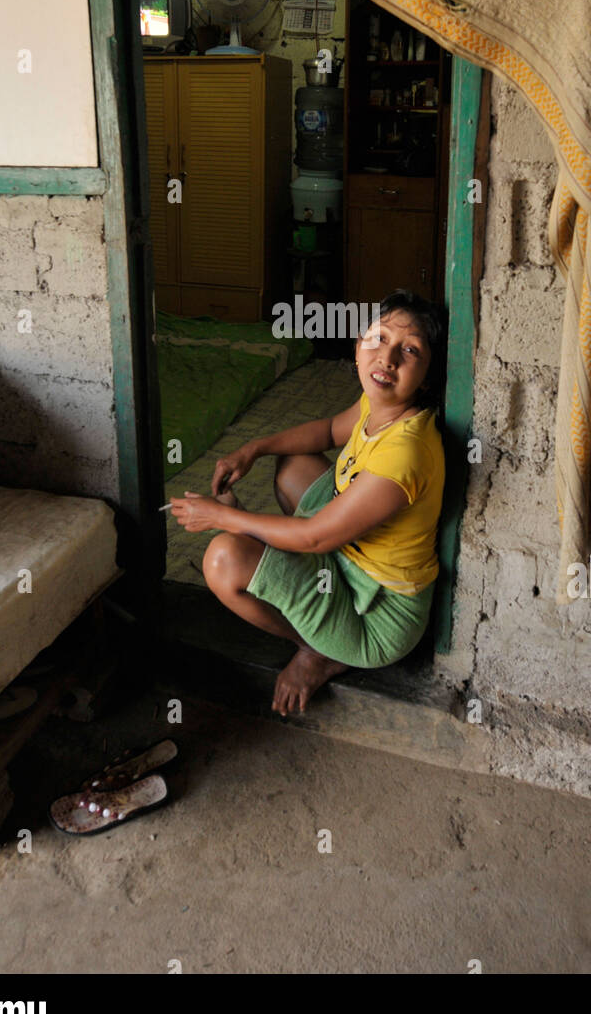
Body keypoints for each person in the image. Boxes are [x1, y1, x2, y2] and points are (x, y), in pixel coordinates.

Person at [169, 290, 447, 716]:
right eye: (379, 338)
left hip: (374, 613)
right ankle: (306, 603)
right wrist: (253, 448)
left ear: (426, 378)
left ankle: (316, 650)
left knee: (223, 558)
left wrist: (224, 516)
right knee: (294, 462)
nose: (387, 358)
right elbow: (327, 432)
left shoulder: (407, 450)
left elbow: (315, 539)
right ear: (359, 345)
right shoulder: (380, 404)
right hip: (346, 556)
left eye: (409, 351)